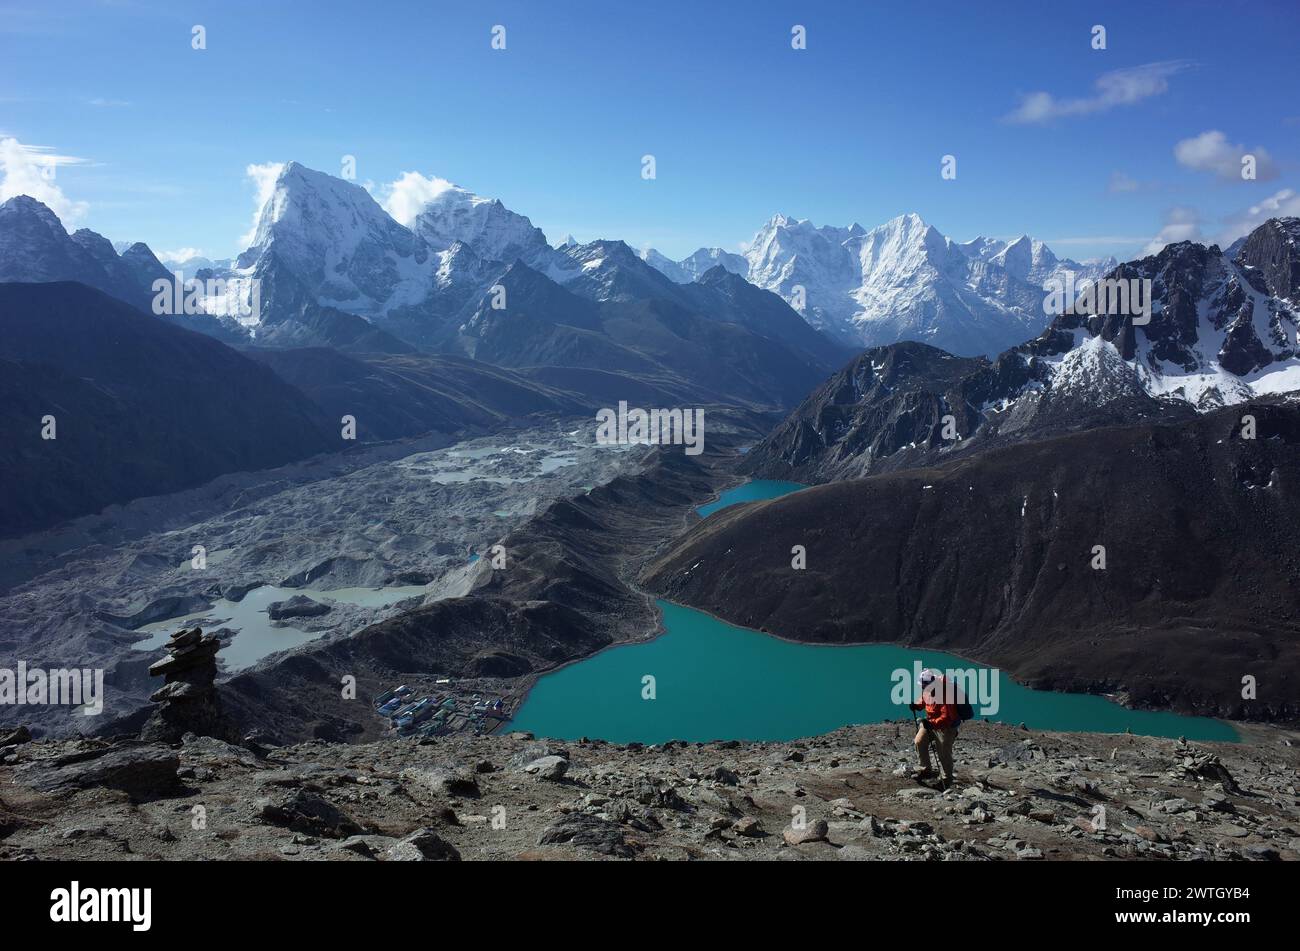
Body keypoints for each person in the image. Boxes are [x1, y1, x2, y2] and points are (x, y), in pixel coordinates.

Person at [909, 668, 959, 789]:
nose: (922, 687)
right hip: (930, 723)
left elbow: (946, 717)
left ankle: (947, 780)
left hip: (945, 728)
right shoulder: (928, 690)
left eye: (923, 685)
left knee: (943, 753)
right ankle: (925, 770)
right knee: (919, 742)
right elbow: (924, 700)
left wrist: (932, 724)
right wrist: (916, 705)